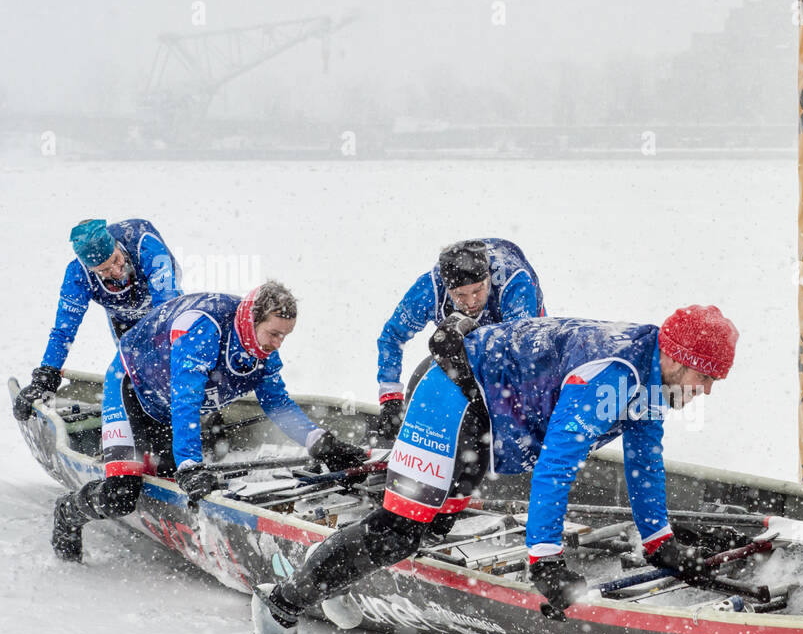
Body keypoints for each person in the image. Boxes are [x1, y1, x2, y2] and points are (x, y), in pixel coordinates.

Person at [252, 305, 740, 634]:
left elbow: (644, 459)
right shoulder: (612, 375)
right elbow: (556, 465)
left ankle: (336, 575)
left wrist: (661, 543)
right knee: (402, 528)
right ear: (678, 358)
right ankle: (282, 604)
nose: (709, 391)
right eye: (707, 377)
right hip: (454, 391)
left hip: (485, 406)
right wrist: (545, 560)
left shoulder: (653, 379)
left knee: (434, 520)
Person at [51, 282, 369, 562]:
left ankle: (159, 473)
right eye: (274, 333)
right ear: (252, 320)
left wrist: (321, 443)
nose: (277, 344)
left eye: (285, 336)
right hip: (130, 389)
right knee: (121, 494)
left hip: (166, 409)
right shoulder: (204, 329)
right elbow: (186, 400)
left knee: (168, 482)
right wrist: (189, 463)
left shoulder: (262, 352)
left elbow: (278, 404)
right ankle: (69, 510)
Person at [374, 239, 545, 440]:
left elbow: (520, 353)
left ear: (488, 278)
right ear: (446, 287)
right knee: (452, 350)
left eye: (477, 290)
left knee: (525, 365)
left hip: (514, 318)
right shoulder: (429, 290)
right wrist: (390, 397)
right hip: (460, 324)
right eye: (460, 294)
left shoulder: (515, 285)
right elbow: (392, 336)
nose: (471, 302)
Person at [13, 218, 182, 422]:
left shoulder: (146, 245)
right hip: (123, 317)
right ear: (91, 269)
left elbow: (167, 310)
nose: (116, 271)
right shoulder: (77, 276)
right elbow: (63, 330)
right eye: (104, 270)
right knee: (135, 373)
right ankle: (145, 420)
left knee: (171, 359)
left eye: (116, 260)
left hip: (164, 306)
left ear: (117, 246)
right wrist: (46, 375)